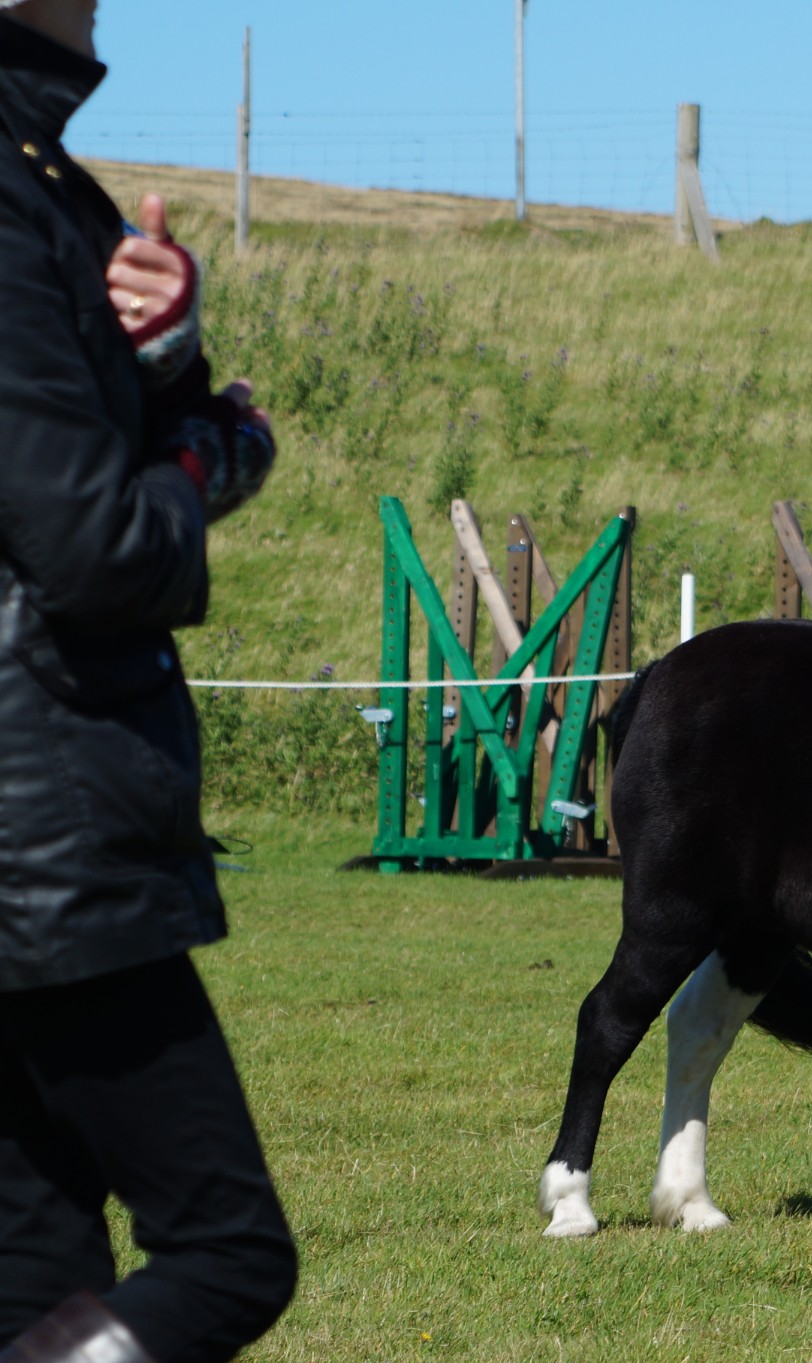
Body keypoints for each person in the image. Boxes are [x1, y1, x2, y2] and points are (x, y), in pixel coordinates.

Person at [0, 2, 294, 1360]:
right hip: (38, 829)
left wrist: (165, 360)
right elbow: (96, 544)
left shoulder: (45, 184)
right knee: (227, 1252)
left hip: (36, 810)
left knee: (39, 1272)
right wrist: (213, 452)